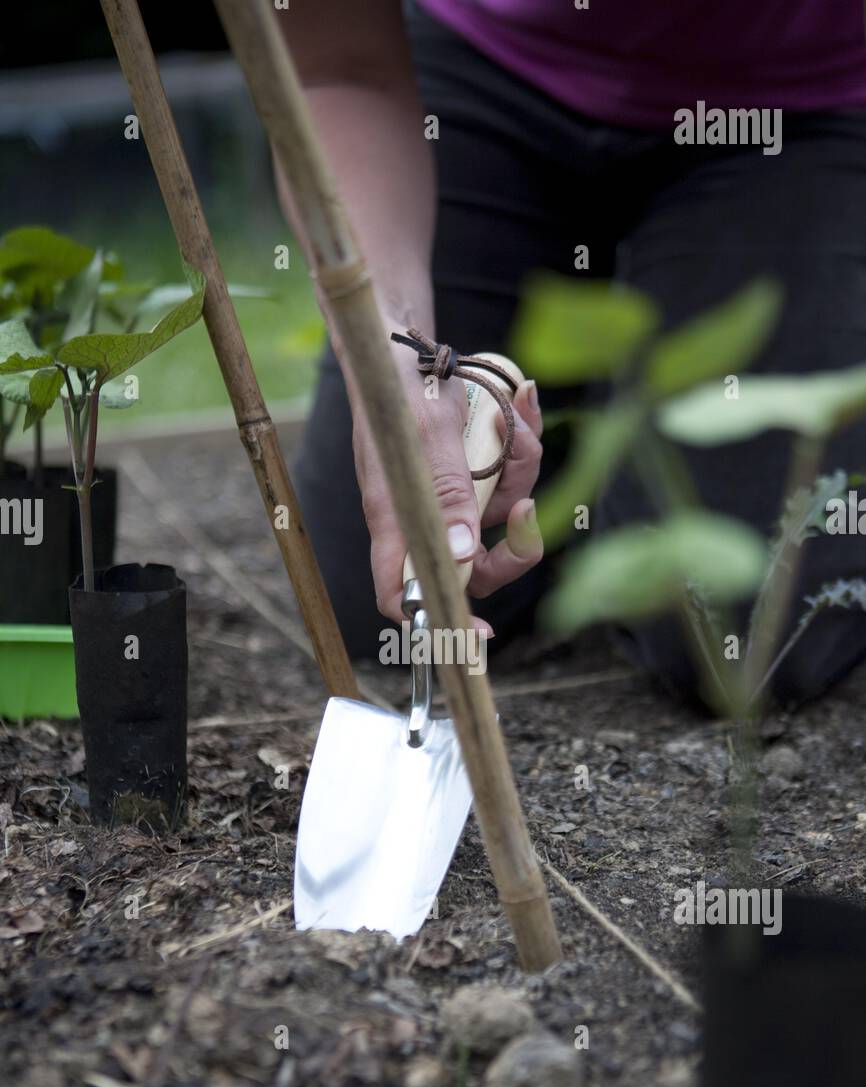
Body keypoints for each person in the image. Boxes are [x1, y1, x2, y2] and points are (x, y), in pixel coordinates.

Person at [276, 0, 866, 703]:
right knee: (386, 592)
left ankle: (636, 392)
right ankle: (601, 411)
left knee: (739, 632)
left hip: (802, 104)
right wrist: (388, 353)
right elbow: (339, 68)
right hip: (492, 64)